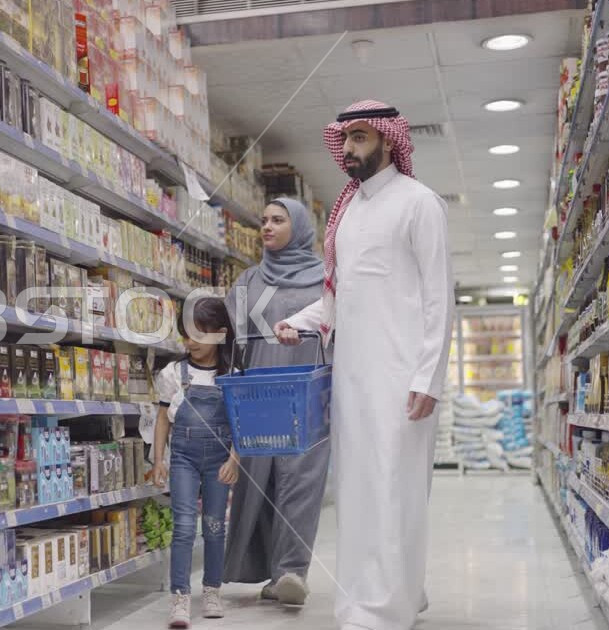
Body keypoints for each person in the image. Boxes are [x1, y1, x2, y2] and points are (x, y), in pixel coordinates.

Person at [274, 100, 454, 630]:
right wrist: (302, 323)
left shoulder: (420, 203)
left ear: (388, 140)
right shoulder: (347, 211)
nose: (348, 150)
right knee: (359, 491)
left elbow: (439, 298)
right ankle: (383, 596)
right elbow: (339, 296)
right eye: (345, 139)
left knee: (396, 489)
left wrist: (429, 377)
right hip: (351, 379)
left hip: (402, 378)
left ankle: (386, 608)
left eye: (359, 138)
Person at [220, 198, 329, 607]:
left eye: (277, 220)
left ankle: (291, 571)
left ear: (298, 227)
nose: (267, 227)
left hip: (309, 391)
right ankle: (267, 572)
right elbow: (232, 339)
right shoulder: (249, 280)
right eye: (263, 220)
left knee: (301, 479)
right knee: (260, 481)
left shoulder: (326, 280)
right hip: (260, 392)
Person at [151, 296, 241, 628]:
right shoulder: (174, 373)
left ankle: (212, 590)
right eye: (186, 335)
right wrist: (159, 460)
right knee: (184, 527)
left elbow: (241, 422)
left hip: (220, 459)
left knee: (216, 527)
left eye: (199, 335)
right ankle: (179, 597)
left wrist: (236, 459)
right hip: (184, 459)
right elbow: (163, 419)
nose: (190, 343)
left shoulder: (232, 373)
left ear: (220, 334)